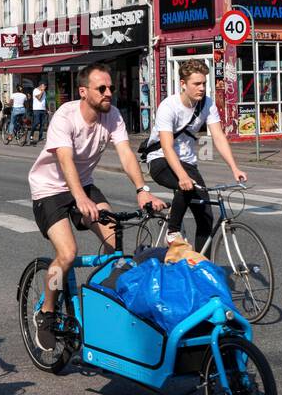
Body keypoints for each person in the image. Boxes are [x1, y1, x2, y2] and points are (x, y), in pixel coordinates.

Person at [27, 63, 167, 351]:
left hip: (84, 185)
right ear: (83, 91)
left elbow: (127, 154)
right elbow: (65, 161)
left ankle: (104, 305)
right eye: (101, 88)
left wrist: (142, 191)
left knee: (114, 244)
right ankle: (47, 313)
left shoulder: (112, 116)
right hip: (49, 189)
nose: (108, 93)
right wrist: (79, 199)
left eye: (111, 88)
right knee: (67, 254)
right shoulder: (65, 116)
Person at [145, 58, 247, 249]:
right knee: (186, 187)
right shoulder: (169, 106)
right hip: (160, 160)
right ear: (183, 84)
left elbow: (218, 137)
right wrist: (182, 177)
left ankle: (201, 267)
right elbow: (167, 146)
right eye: (197, 84)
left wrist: (234, 168)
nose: (202, 88)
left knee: (206, 217)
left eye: (204, 83)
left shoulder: (207, 104)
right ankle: (172, 232)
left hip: (188, 164)